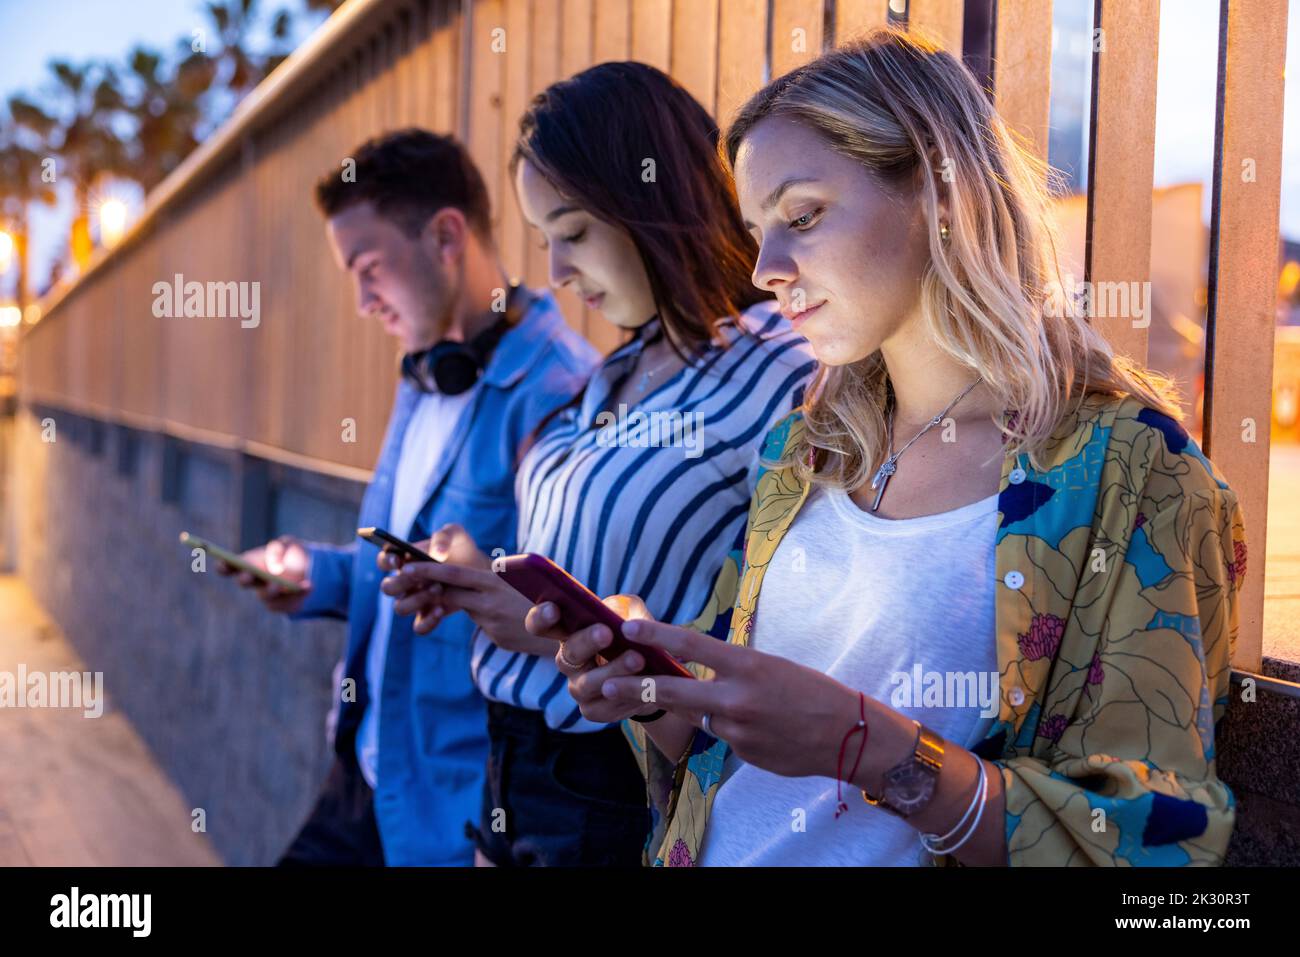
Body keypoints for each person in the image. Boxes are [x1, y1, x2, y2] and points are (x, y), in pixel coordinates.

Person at [539, 30, 1245, 867]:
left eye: (801, 215)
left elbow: (1151, 845)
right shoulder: (803, 455)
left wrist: (867, 745)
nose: (765, 266)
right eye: (758, 230)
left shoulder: (1132, 473)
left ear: (942, 194)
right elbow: (724, 751)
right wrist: (654, 681)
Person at [380, 62, 816, 866]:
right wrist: (485, 581)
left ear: (653, 204)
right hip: (510, 770)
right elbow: (583, 563)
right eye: (545, 240)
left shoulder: (786, 370)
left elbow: (783, 645)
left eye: (573, 232)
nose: (554, 272)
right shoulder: (613, 371)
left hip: (614, 794)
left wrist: (560, 634)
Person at [218, 128, 598, 865]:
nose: (361, 302)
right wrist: (317, 576)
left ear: (446, 236)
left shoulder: (562, 394)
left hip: (449, 820)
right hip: (359, 776)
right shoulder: (423, 371)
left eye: (368, 268)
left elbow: (565, 624)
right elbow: (406, 562)